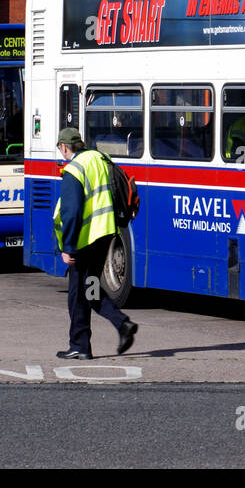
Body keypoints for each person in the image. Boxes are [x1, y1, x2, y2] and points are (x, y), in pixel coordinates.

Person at [52, 127, 138, 360]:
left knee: (77, 294)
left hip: (85, 239)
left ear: (64, 147)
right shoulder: (100, 157)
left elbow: (71, 212)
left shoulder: (74, 170)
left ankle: (79, 345)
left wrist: (67, 247)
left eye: (59, 148)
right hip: (107, 233)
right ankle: (122, 324)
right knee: (90, 287)